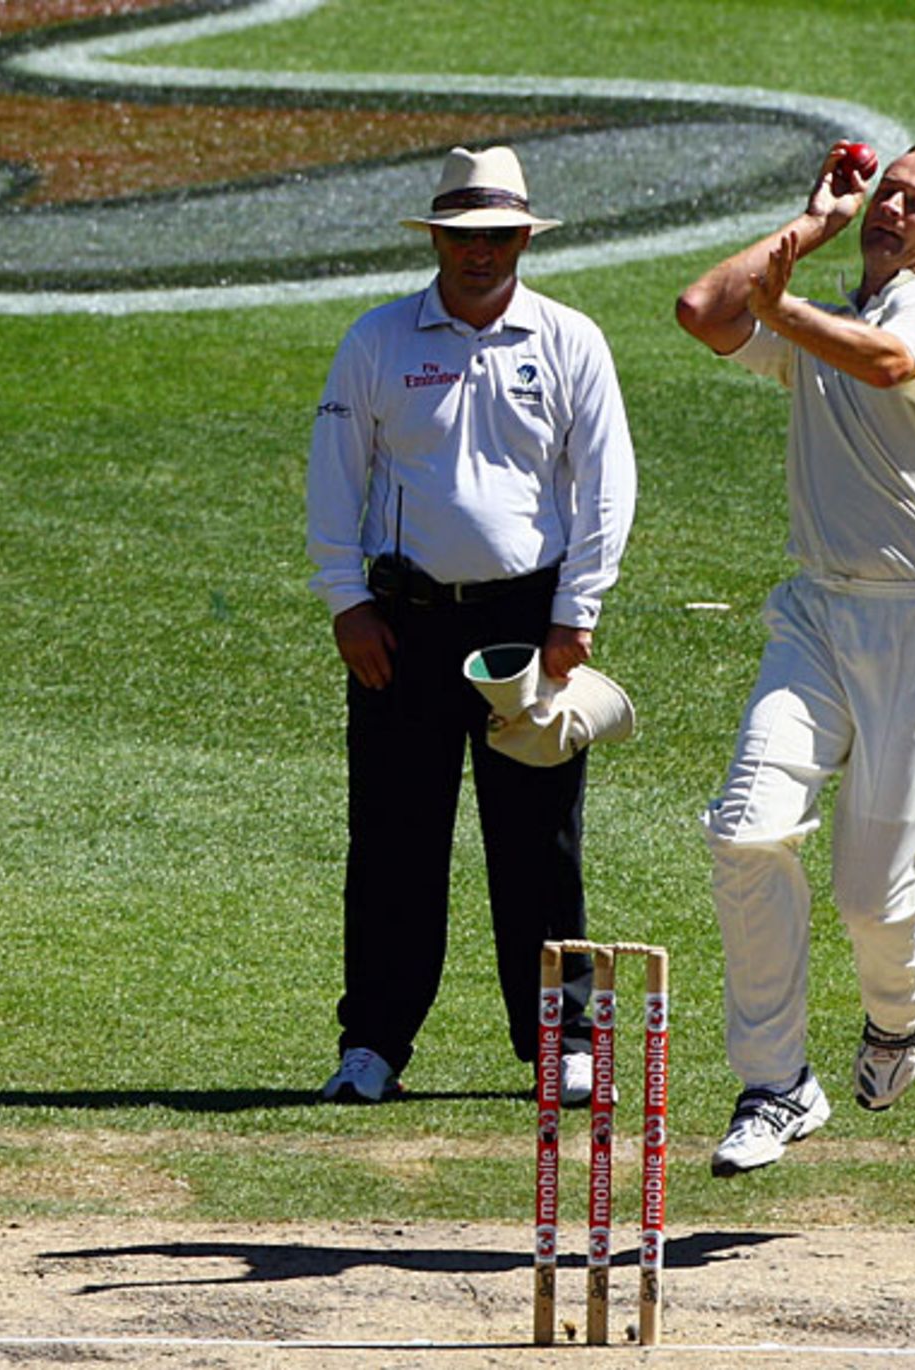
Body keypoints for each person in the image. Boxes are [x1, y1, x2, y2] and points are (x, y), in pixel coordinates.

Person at [675, 141, 915, 1176]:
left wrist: (782, 304)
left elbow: (888, 362)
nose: (897, 207)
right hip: (817, 611)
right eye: (889, 192)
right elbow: (700, 310)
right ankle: (775, 1082)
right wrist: (809, 227)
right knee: (744, 830)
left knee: (871, 893)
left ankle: (895, 1017)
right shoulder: (820, 310)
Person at [307, 145, 637, 1105]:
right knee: (393, 841)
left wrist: (575, 615)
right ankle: (371, 1044)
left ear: (525, 237)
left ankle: (566, 1043)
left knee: (544, 844)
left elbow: (605, 488)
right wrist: (347, 602)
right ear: (437, 239)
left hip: (526, 623)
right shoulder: (377, 340)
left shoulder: (570, 339)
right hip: (402, 625)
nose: (479, 254)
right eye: (461, 237)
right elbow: (335, 478)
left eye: (497, 236)